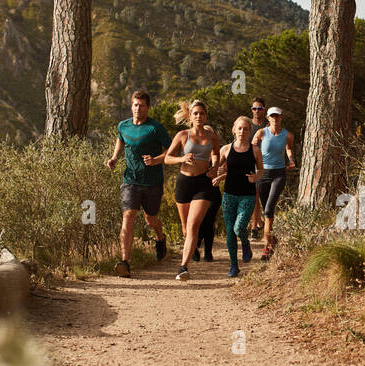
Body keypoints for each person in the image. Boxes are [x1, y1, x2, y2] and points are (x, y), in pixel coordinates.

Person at [106, 91, 170, 278]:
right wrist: (114, 157)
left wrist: (156, 160)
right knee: (129, 215)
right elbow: (120, 139)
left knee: (151, 220)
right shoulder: (123, 126)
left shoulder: (155, 128)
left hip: (152, 182)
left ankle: (160, 237)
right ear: (131, 106)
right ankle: (125, 262)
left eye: (141, 105)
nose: (137, 108)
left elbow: (172, 150)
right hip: (130, 180)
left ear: (148, 107)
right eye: (135, 105)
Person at [161, 99, 221, 280]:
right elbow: (167, 158)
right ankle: (191, 248)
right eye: (195, 113)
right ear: (190, 116)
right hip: (184, 183)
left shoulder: (212, 137)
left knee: (193, 225)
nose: (199, 116)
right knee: (186, 230)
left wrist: (215, 166)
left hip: (203, 184)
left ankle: (183, 268)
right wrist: (182, 159)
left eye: (202, 113)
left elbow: (216, 153)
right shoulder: (182, 135)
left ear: (206, 116)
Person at [213, 116, 261, 277]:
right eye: (239, 128)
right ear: (234, 130)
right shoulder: (226, 149)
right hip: (229, 195)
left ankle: (246, 243)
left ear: (249, 131)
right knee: (230, 231)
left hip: (247, 195)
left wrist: (256, 177)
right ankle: (234, 265)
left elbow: (261, 170)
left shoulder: (254, 150)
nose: (242, 131)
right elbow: (218, 168)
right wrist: (218, 175)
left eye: (245, 129)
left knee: (238, 227)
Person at [250, 106, 295, 261]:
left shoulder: (287, 135)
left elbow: (289, 148)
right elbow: (253, 148)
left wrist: (291, 159)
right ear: (268, 118)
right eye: (272, 116)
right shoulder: (262, 132)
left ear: (281, 117)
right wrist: (254, 144)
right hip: (263, 173)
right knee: (266, 210)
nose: (275, 118)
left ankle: (266, 247)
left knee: (269, 209)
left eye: (277, 116)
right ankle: (272, 237)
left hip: (279, 173)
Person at [246, 97, 268, 239]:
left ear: (264, 110)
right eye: (254, 108)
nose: (256, 111)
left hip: (266, 163)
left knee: (264, 196)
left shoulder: (268, 125)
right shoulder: (248, 125)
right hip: (251, 163)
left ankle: (262, 223)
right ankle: (254, 227)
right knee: (254, 196)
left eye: (259, 108)